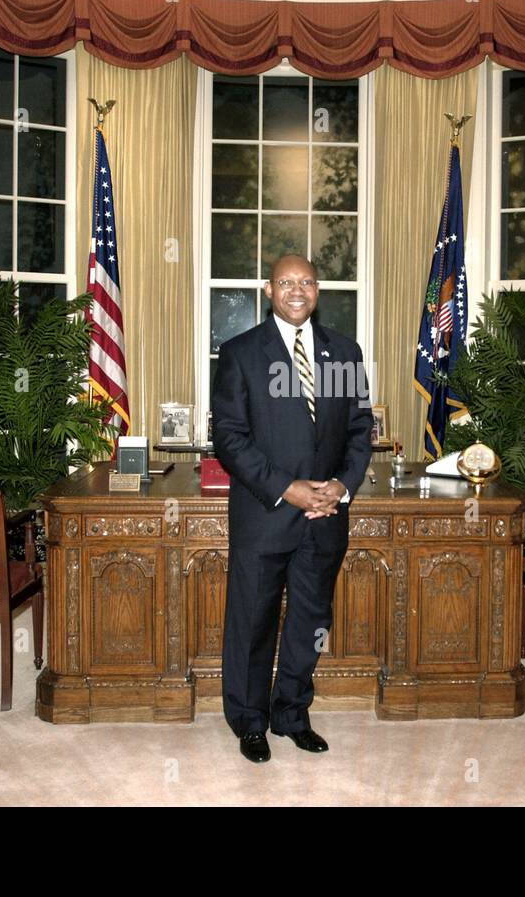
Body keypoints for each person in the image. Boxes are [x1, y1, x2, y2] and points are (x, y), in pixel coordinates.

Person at [211, 254, 373, 763]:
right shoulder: (239, 353)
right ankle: (250, 720)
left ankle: (292, 714)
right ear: (268, 289)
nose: (296, 290)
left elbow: (359, 430)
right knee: (253, 620)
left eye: (305, 282)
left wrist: (341, 487)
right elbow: (230, 440)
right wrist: (288, 488)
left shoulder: (345, 353)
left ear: (318, 289)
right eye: (286, 282)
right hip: (265, 514)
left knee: (310, 619)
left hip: (326, 517)